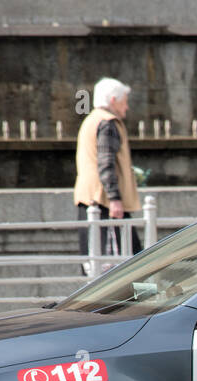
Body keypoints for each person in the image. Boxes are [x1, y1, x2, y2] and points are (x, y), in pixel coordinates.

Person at [74, 77, 142, 276]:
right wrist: (115, 198)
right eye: (124, 101)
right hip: (105, 203)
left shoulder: (92, 120)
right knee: (127, 263)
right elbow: (106, 162)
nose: (127, 107)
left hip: (91, 200)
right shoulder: (107, 123)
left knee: (95, 259)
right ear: (113, 100)